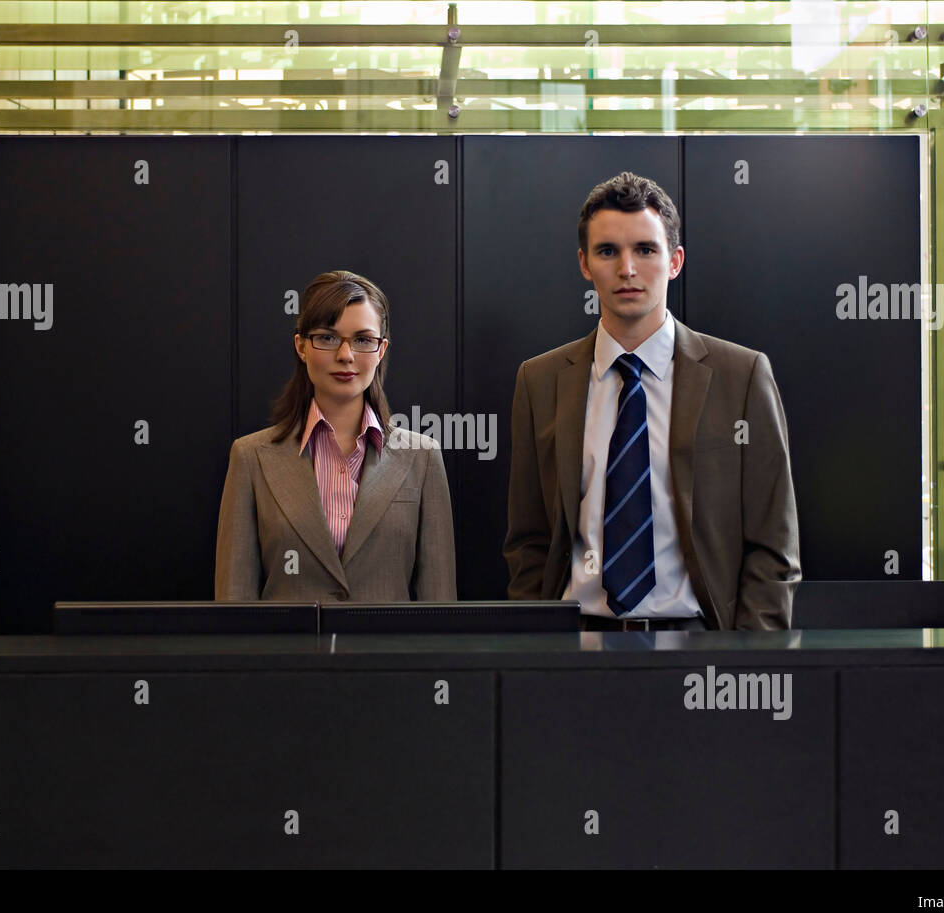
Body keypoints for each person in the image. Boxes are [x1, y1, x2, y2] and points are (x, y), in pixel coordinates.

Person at [504, 172, 800, 630]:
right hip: (574, 650)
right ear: (584, 263)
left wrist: (747, 656)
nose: (627, 269)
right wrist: (535, 643)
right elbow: (528, 541)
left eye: (645, 249)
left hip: (701, 651)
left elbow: (773, 545)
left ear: (675, 260)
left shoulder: (740, 376)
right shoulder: (540, 381)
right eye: (608, 251)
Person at [215, 270, 456, 602]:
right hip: (285, 653)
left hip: (391, 653)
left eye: (362, 339)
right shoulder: (251, 456)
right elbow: (234, 598)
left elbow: (439, 603)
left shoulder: (422, 457)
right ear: (301, 346)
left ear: (381, 349)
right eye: (328, 338)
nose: (346, 355)